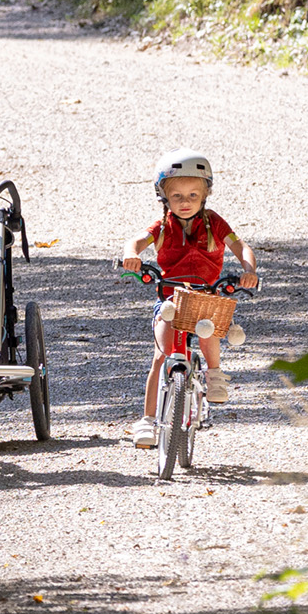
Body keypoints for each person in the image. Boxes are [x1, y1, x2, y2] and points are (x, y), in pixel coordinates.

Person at [120, 152, 259, 451]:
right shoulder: (161, 226)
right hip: (171, 298)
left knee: (209, 327)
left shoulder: (215, 224)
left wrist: (249, 270)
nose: (186, 201)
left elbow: (241, 247)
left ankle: (214, 374)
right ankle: (147, 420)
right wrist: (132, 255)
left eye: (194, 194)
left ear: (206, 194)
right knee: (161, 355)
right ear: (164, 197)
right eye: (177, 195)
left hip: (206, 297)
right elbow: (136, 242)